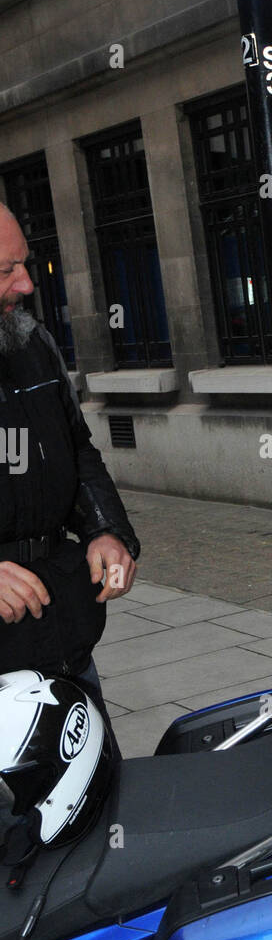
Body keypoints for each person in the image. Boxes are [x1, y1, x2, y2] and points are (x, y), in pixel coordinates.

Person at [0, 202, 139, 752]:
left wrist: (107, 530)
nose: (28, 283)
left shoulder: (33, 344)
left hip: (62, 639)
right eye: (7, 270)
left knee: (96, 806)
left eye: (24, 263)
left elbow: (77, 452)